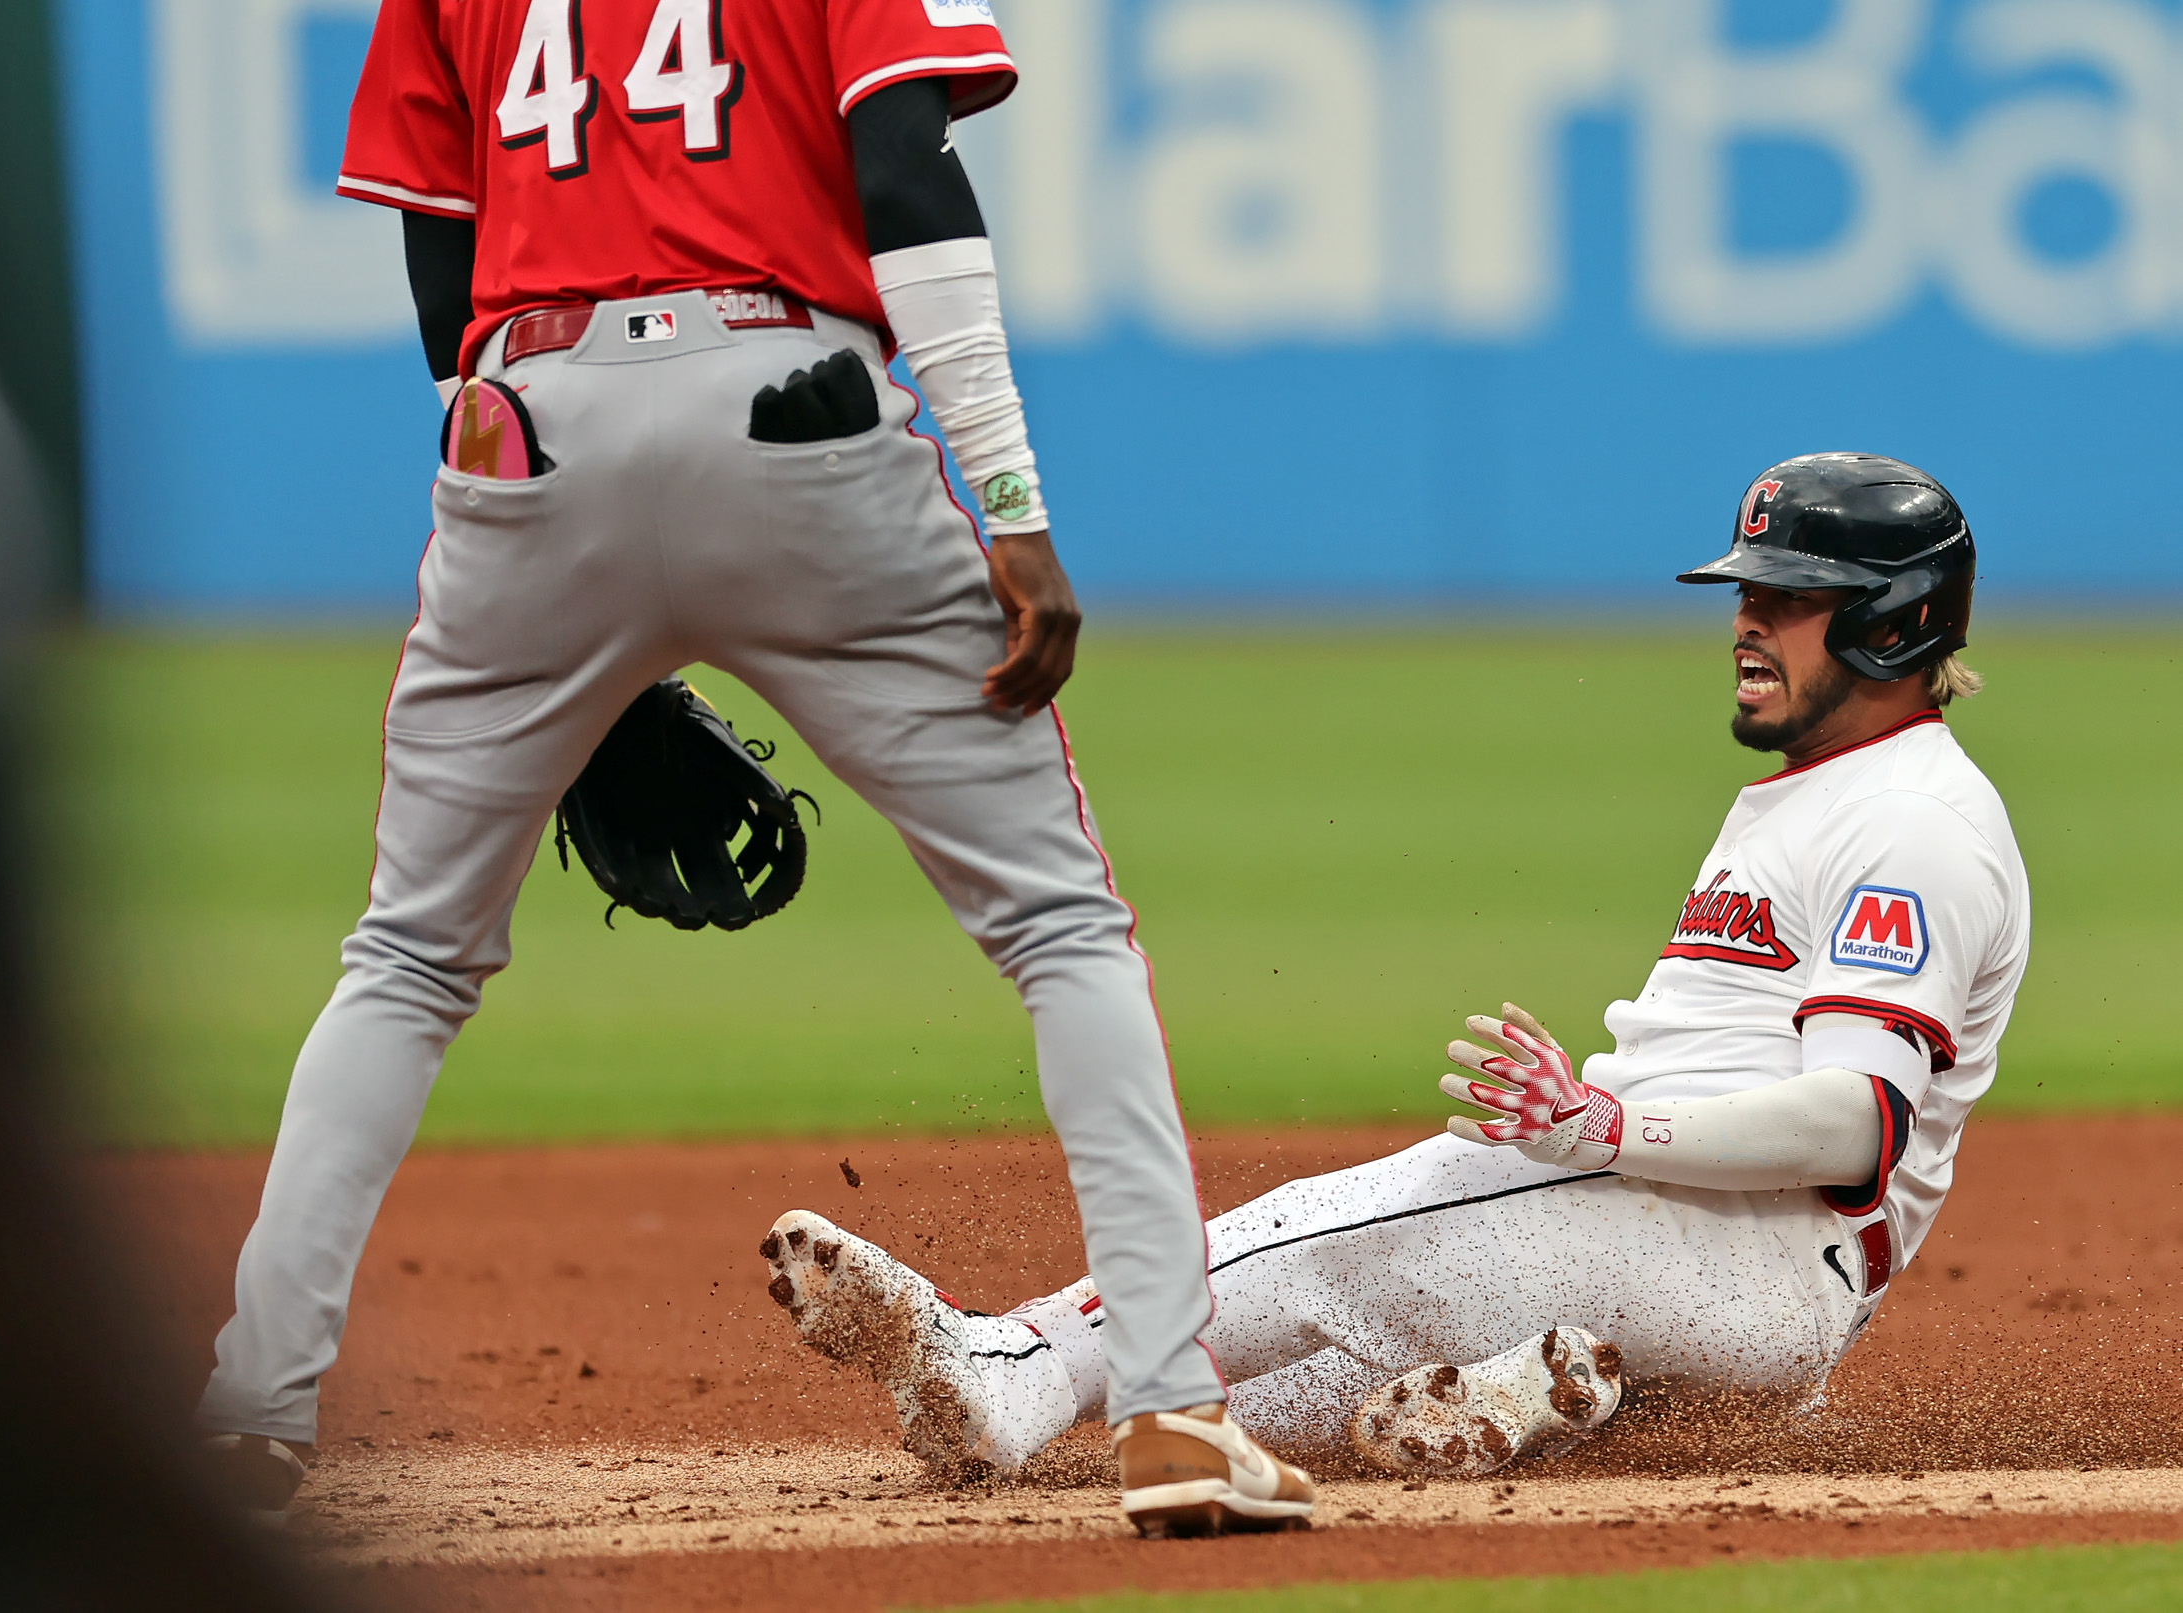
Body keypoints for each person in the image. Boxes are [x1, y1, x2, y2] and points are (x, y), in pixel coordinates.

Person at [195, 0, 1311, 1538]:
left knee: (404, 956)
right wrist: (1013, 507)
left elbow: (444, 258)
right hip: (797, 419)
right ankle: (1175, 1410)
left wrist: (564, 560)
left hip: (527, 420)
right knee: (1060, 929)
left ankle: (250, 1415)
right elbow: (908, 181)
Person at [763, 452, 2030, 1480]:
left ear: (1891, 621)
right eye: (1744, 591)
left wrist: (1602, 1122)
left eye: (1789, 597)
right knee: (1282, 1397)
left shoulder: (1913, 819)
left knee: (1344, 1225)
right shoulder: (1832, 793)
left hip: (1733, 1248)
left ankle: (1015, 1359)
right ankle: (1547, 1387)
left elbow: (1859, 1123)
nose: (1747, 619)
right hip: (1701, 1262)